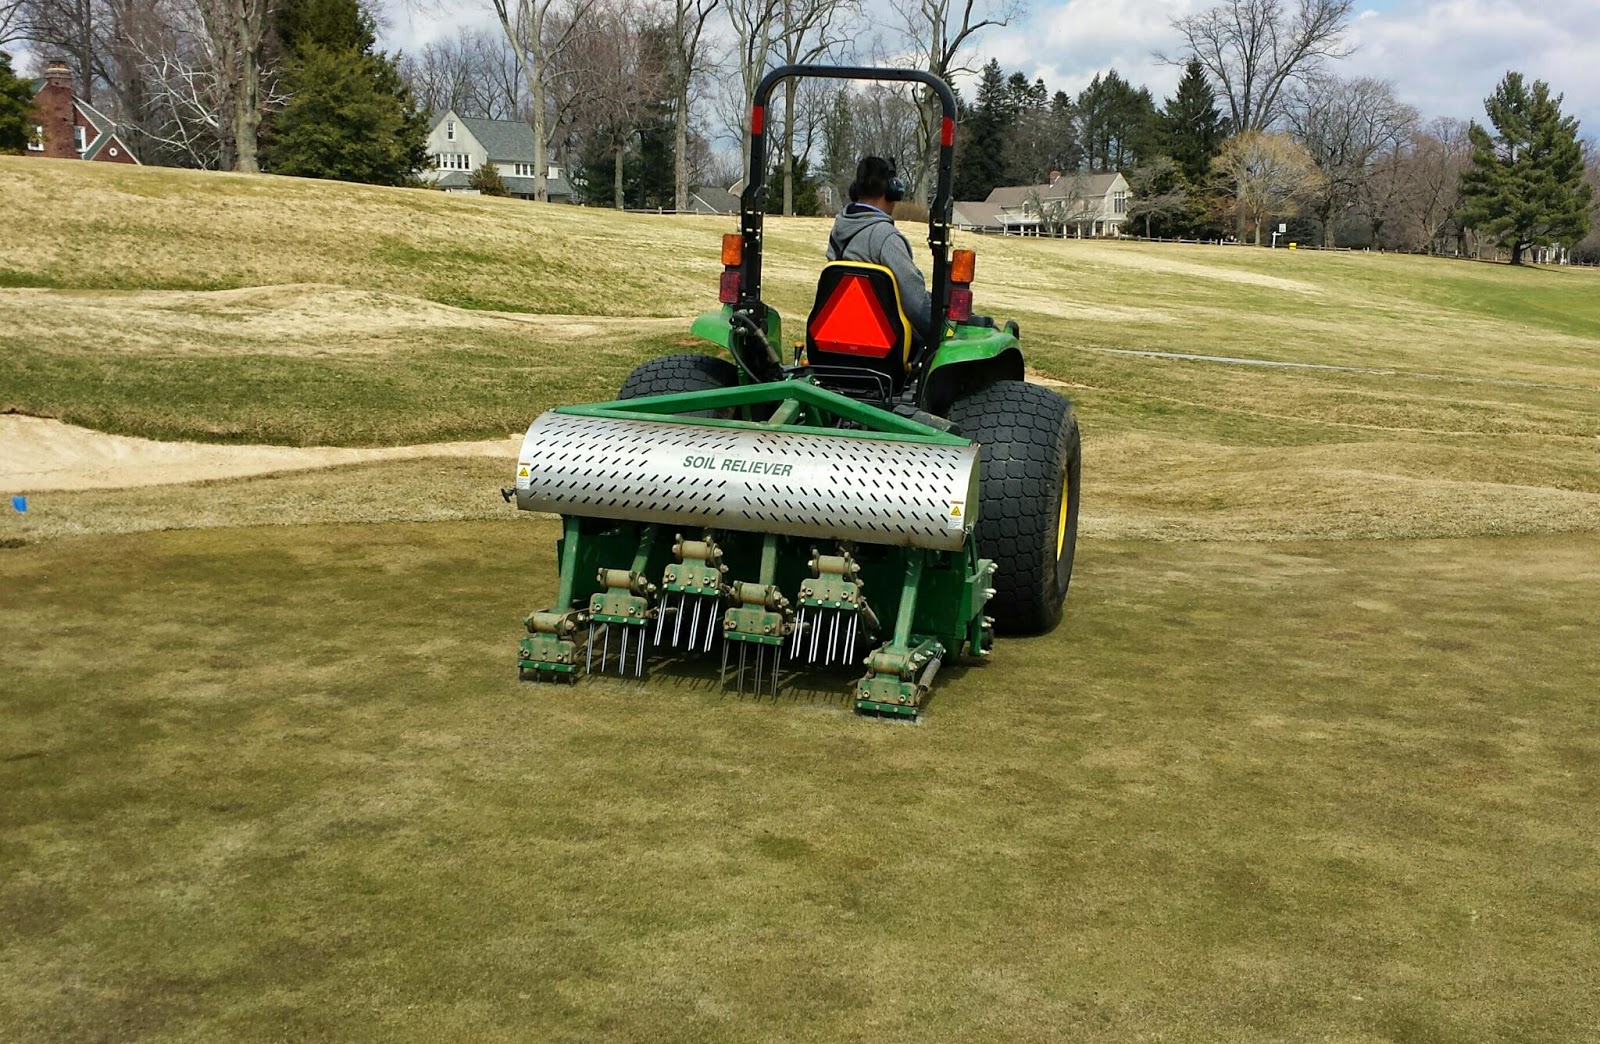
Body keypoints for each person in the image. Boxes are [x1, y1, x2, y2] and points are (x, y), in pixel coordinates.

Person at [825, 156, 933, 344]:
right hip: (882, 348)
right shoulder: (886, 238)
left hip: (838, 340)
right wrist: (942, 328)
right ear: (893, 191)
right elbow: (915, 305)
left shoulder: (838, 233)